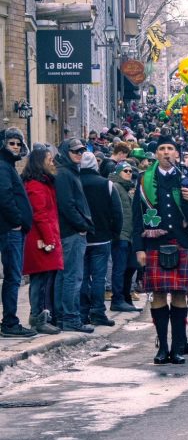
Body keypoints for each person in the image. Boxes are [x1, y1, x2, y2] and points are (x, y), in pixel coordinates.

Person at [133, 135, 188, 365]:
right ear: (156, 154)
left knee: (180, 294)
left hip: (185, 243)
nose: (166, 152)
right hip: (155, 243)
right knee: (158, 295)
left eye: (171, 148)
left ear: (177, 154)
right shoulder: (143, 180)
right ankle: (162, 348)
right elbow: (136, 218)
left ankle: (178, 347)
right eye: (162, 149)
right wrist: (139, 249)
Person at [54, 138, 95, 333]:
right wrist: (81, 226)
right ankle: (69, 318)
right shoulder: (64, 174)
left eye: (81, 151)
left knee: (67, 276)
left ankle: (64, 317)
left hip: (71, 232)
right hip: (71, 233)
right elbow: (67, 205)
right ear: (65, 152)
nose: (79, 154)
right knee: (72, 276)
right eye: (75, 151)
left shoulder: (69, 172)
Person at [77, 151, 123, 328]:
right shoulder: (107, 185)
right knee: (98, 277)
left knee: (82, 276)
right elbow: (117, 212)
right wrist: (115, 233)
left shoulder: (76, 182)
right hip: (102, 237)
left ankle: (82, 312)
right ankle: (98, 311)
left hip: (81, 236)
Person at [20, 147, 60, 336]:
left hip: (44, 237)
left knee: (43, 279)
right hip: (41, 240)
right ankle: (38, 317)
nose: (52, 163)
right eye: (49, 160)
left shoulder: (42, 182)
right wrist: (49, 238)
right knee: (41, 281)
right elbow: (40, 214)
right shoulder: (36, 185)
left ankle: (40, 316)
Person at [0, 128, 35, 338]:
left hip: (12, 229)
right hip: (10, 230)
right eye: (11, 143)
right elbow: (4, 197)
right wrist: (16, 222)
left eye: (18, 144)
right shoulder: (4, 167)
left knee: (13, 277)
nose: (15, 147)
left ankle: (10, 321)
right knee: (13, 277)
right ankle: (10, 322)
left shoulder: (8, 166)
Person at [108, 162, 141, 313]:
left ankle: (126, 297)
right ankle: (118, 299)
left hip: (130, 235)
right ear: (118, 172)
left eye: (130, 171)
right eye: (125, 171)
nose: (129, 173)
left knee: (130, 268)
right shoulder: (115, 187)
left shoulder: (128, 188)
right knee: (120, 268)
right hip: (121, 234)